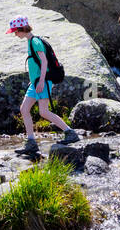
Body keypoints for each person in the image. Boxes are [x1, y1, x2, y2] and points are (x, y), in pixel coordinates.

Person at [8, 15, 79, 156]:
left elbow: (44, 61)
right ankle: (31, 142)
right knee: (24, 109)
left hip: (43, 81)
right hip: (35, 83)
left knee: (44, 112)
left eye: (16, 32)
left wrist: (41, 80)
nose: (15, 35)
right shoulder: (30, 41)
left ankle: (70, 133)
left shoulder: (35, 42)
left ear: (22, 29)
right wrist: (34, 79)